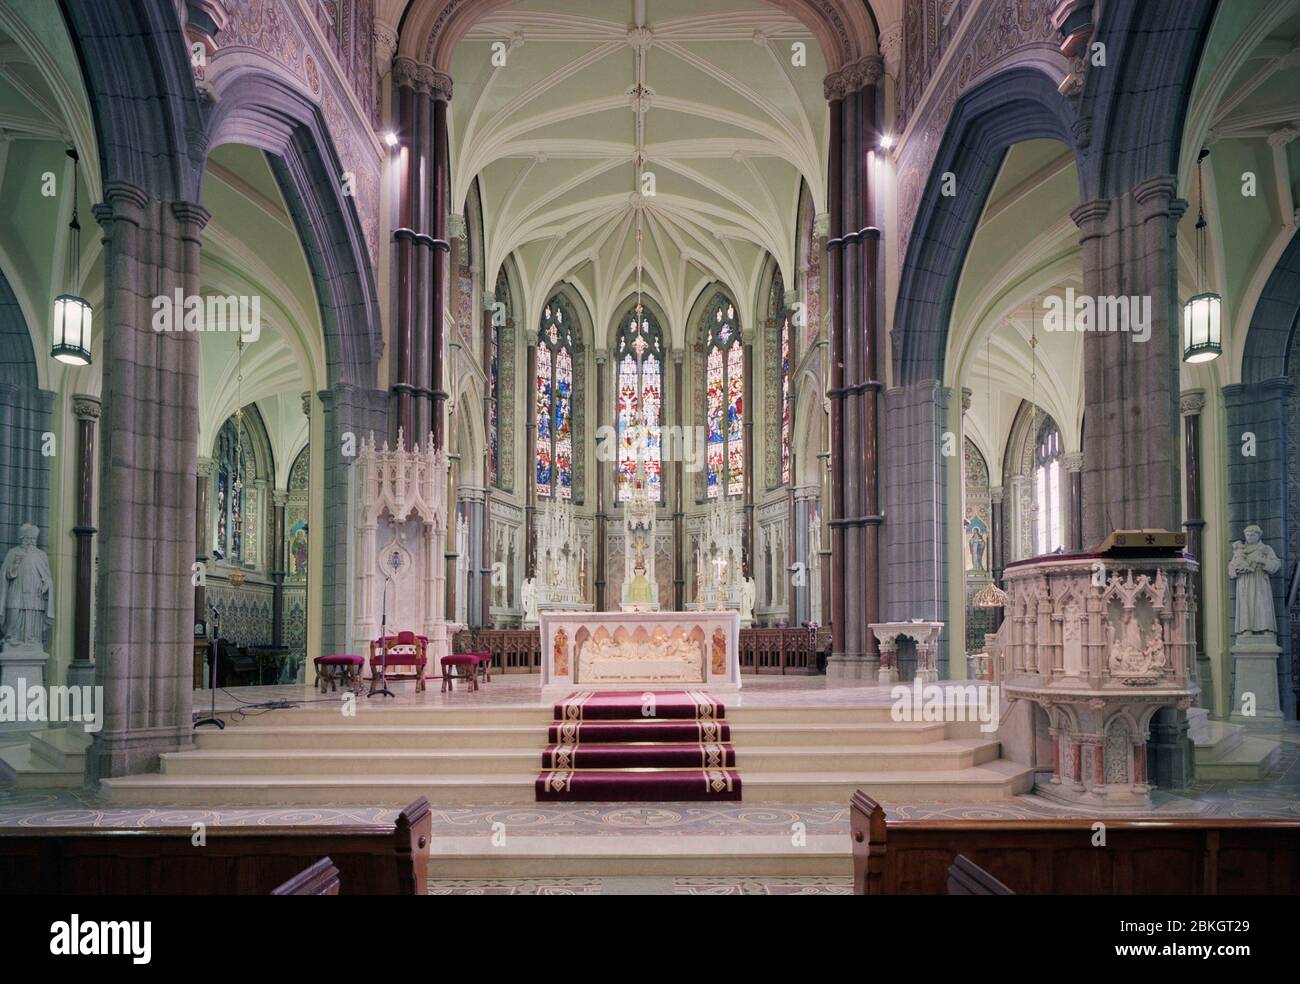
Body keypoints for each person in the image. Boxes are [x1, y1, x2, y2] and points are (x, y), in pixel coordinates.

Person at [0, 523, 54, 650]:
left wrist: (46, 585)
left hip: (35, 592)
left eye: (34, 539)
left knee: (31, 615)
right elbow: (5, 575)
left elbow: (47, 577)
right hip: (16, 590)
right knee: (14, 612)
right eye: (28, 538)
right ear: (22, 538)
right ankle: (11, 637)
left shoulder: (41, 555)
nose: (31, 541)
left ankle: (31, 639)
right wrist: (15, 564)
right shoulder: (13, 552)